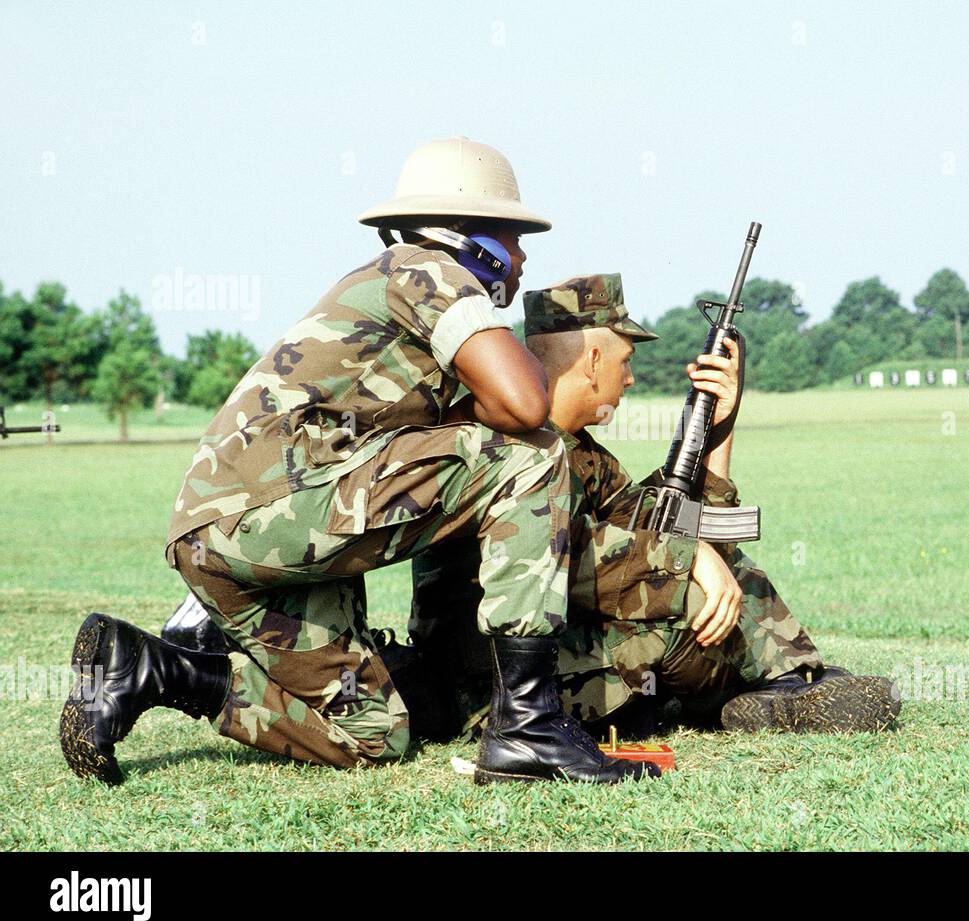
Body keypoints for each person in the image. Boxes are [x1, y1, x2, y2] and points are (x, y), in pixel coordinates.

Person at [59, 137, 660, 787]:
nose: (521, 257)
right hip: (274, 510)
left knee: (373, 732)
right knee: (527, 455)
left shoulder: (399, 283)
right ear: (470, 239)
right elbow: (524, 404)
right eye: (510, 238)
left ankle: (150, 668)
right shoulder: (430, 271)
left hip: (240, 528)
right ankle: (527, 724)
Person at [405, 274, 901, 741]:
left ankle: (789, 683)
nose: (631, 378)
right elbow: (563, 555)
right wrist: (689, 560)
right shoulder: (495, 443)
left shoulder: (579, 451)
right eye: (625, 361)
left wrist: (716, 429)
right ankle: (757, 699)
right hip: (494, 680)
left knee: (721, 565)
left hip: (562, 640)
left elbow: (663, 520)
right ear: (593, 359)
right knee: (680, 597)